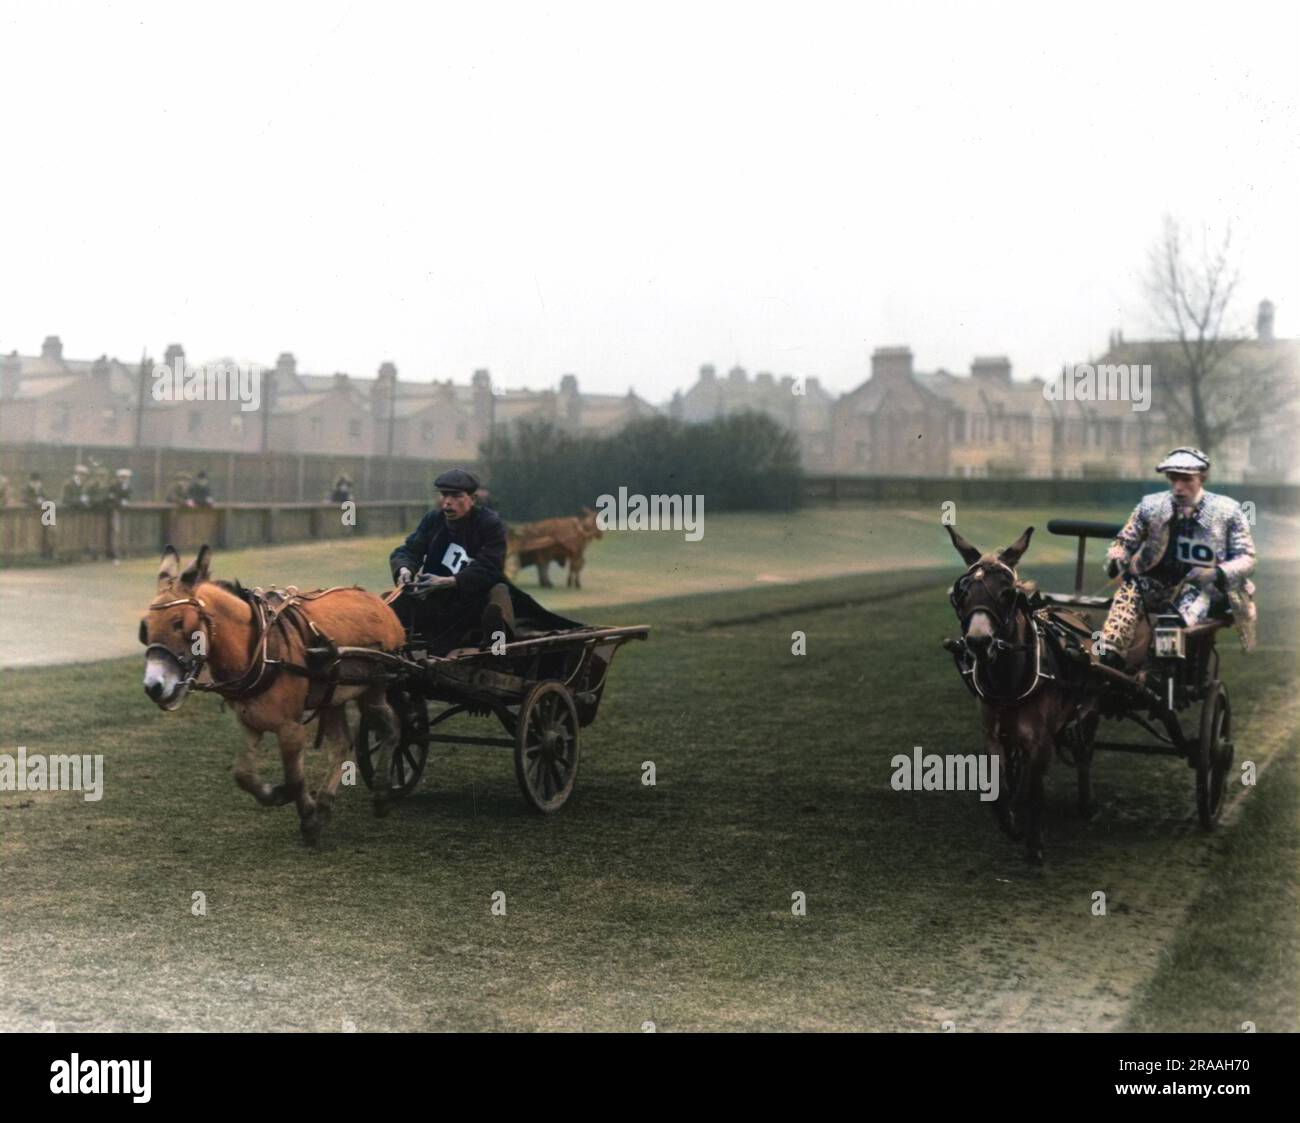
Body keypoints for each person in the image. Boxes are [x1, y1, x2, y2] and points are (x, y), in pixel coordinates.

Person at [388, 468, 578, 655]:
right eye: (444, 495)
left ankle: (498, 653)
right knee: (390, 603)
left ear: (472, 499)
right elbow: (408, 550)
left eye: (456, 496)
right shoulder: (433, 520)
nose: (447, 502)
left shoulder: (489, 524)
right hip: (438, 602)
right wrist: (404, 570)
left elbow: (490, 567)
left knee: (498, 593)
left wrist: (449, 581)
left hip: (475, 601)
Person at [1098, 446, 1257, 669]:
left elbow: (1247, 558)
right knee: (1129, 591)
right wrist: (1117, 558)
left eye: (1186, 480)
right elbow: (1125, 541)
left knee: (1171, 621)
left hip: (1205, 589)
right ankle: (1110, 657)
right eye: (1173, 479)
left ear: (1202, 478)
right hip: (1156, 583)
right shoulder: (1150, 505)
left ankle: (1165, 673)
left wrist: (1217, 572)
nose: (1178, 487)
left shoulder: (1228, 511)